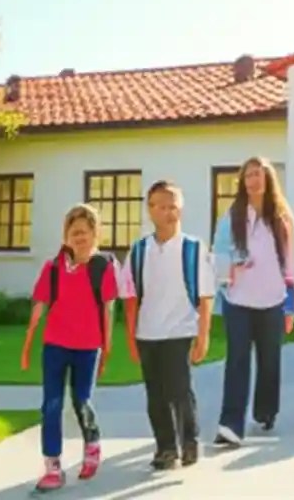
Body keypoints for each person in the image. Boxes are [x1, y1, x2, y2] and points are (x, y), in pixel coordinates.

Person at [20, 204, 119, 492]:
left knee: (82, 401)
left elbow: (108, 311)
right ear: (66, 236)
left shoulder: (103, 267)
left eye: (85, 232)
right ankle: (52, 467)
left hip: (88, 347)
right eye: (74, 232)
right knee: (51, 404)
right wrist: (28, 343)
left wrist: (107, 348)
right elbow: (39, 306)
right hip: (55, 345)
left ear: (94, 234)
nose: (79, 237)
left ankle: (92, 445)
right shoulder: (52, 268)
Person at [118, 180, 215, 471]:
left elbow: (206, 295)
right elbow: (130, 298)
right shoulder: (138, 250)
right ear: (150, 210)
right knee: (155, 394)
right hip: (148, 332)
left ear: (181, 209)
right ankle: (165, 448)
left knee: (180, 390)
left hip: (181, 330)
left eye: (173, 206)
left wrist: (203, 335)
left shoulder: (193, 248)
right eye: (161, 206)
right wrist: (131, 337)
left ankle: (189, 441)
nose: (168, 212)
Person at [211, 157, 294, 447]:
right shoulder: (231, 217)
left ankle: (265, 412)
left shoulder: (282, 219)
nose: (253, 180)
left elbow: (291, 265)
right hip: (238, 301)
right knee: (237, 361)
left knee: (269, 361)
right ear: (243, 181)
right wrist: (234, 265)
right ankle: (230, 424)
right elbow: (218, 255)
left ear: (268, 179)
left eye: (259, 174)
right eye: (248, 175)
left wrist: (290, 305)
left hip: (273, 300)